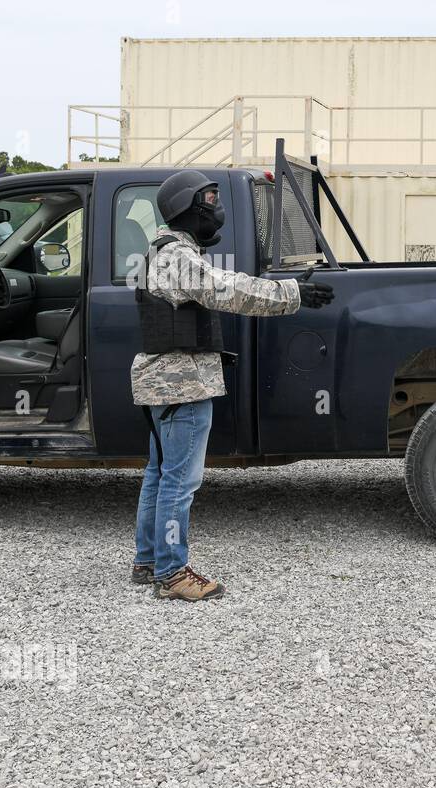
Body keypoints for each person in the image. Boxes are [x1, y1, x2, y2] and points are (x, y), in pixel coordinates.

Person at [130, 170, 334, 602]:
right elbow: (229, 290)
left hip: (164, 384)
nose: (215, 206)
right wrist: (291, 293)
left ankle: (149, 560)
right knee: (179, 482)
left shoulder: (164, 252)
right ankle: (171, 573)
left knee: (160, 474)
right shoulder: (179, 257)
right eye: (208, 197)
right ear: (186, 206)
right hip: (180, 387)